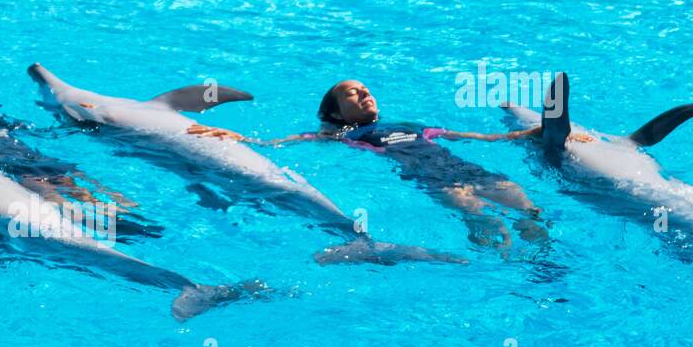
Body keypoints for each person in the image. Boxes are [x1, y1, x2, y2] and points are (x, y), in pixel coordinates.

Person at [186, 79, 590, 248]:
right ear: (336, 113)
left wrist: (531, 134)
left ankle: (542, 257)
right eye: (351, 95)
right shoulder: (345, 136)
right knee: (484, 221)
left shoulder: (412, 125)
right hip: (434, 181)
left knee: (528, 209)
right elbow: (287, 143)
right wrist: (242, 139)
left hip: (468, 170)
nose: (363, 95)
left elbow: (479, 139)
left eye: (365, 91)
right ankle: (507, 266)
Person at [0, 50, 160, 237]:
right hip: (14, 175)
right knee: (68, 211)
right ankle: (106, 244)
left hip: (44, 164)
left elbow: (41, 133)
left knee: (109, 199)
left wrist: (78, 125)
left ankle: (147, 230)